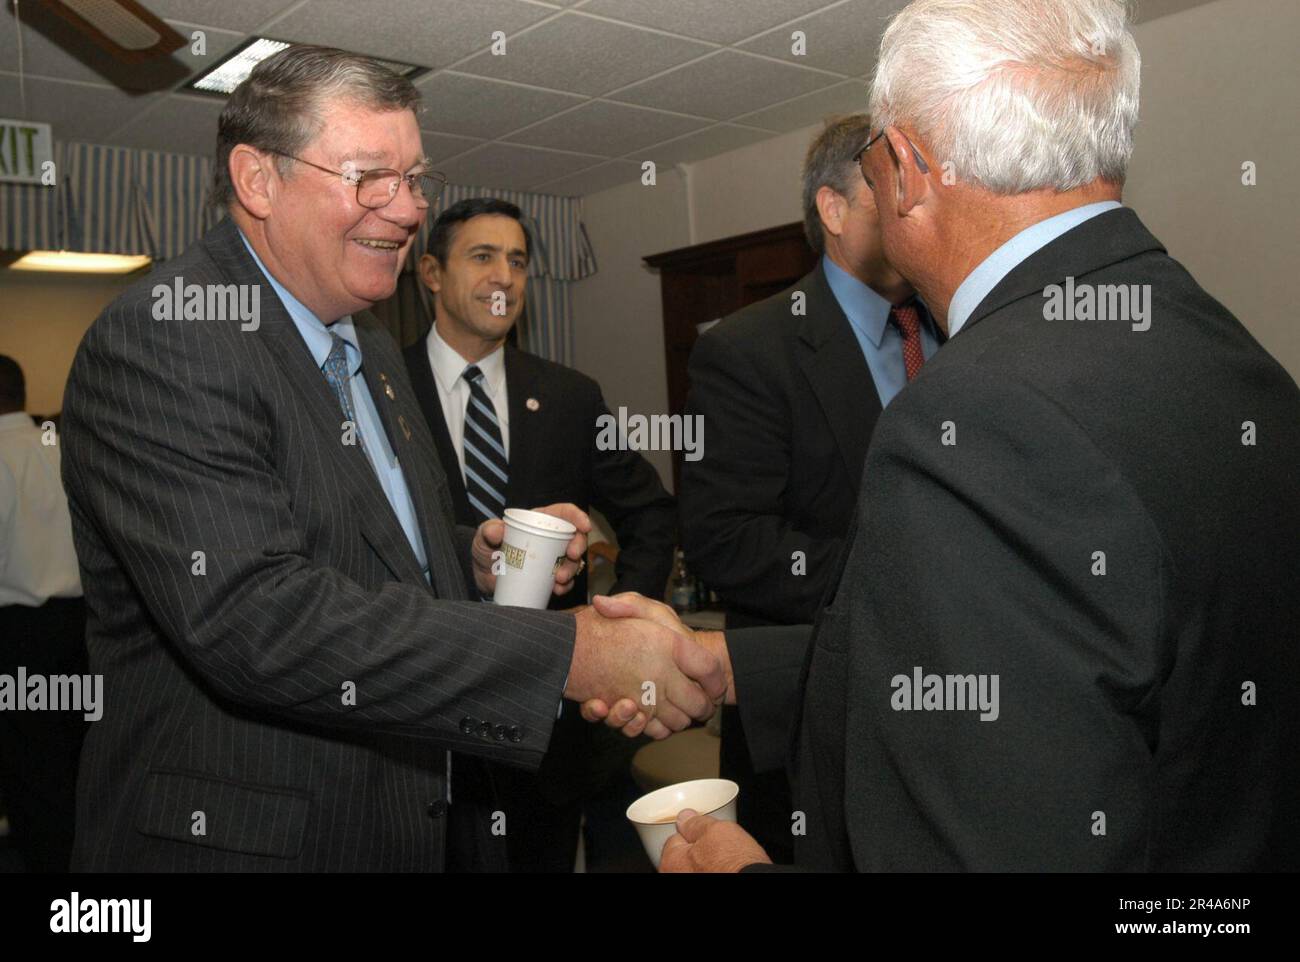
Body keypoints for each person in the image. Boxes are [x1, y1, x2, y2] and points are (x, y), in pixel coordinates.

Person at [588, 0, 1300, 871]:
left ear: (913, 170)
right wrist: (732, 665)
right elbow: (1049, 657)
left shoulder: (980, 416)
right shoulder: (1240, 360)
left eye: (881, 156)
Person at [59, 45, 723, 872]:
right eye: (370, 177)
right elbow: (256, 618)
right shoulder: (169, 335)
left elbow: (361, 550)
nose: (407, 210)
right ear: (258, 179)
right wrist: (571, 654)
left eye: (414, 179)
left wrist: (468, 555)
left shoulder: (368, 345)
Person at [678, 114, 939, 860]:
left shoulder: (954, 327)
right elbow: (725, 540)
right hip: (813, 717)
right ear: (833, 209)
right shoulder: (748, 349)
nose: (913, 212)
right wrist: (904, 587)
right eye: (894, 192)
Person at [403, 197, 676, 871]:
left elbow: (654, 512)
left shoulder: (570, 396)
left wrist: (615, 620)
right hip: (420, 715)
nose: (504, 277)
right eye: (483, 256)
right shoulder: (377, 388)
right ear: (432, 274)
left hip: (547, 726)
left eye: (518, 261)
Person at [0, 356, 87, 872]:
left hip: (17, 638)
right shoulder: (59, 448)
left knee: (29, 775)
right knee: (78, 761)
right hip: (80, 632)